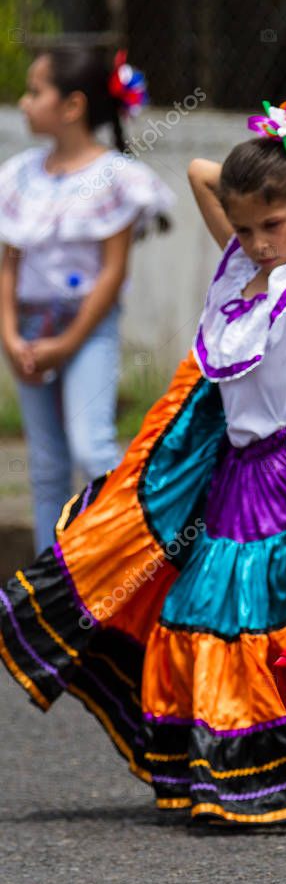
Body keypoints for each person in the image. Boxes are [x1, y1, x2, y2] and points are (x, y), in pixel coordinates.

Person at [0, 100, 286, 826]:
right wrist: (271, 172)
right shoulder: (243, 267)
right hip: (235, 477)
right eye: (243, 226)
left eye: (271, 224)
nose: (254, 240)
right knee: (202, 615)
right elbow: (198, 170)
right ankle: (253, 773)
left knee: (253, 623)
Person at [0, 47, 175, 553]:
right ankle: (43, 583)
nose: (24, 101)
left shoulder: (117, 179)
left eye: (36, 91)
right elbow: (9, 264)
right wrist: (11, 337)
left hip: (87, 329)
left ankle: (122, 564)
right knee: (47, 463)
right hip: (28, 330)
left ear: (73, 105)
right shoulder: (18, 177)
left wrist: (68, 342)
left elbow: (113, 271)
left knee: (91, 445)